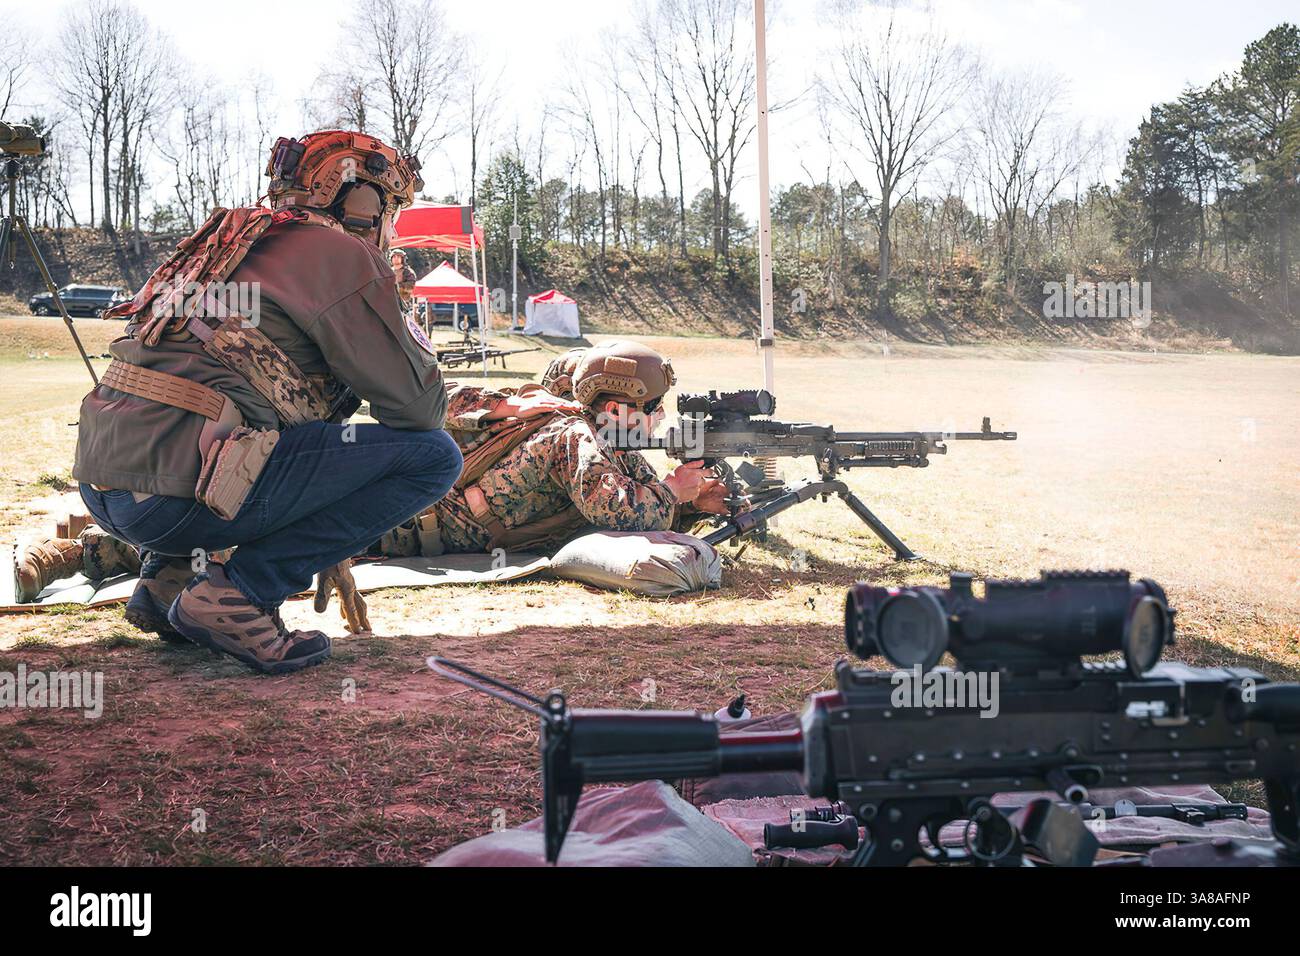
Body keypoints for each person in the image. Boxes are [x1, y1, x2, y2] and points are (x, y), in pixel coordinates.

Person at [71, 129, 463, 674]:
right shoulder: (340, 252)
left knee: (236, 417)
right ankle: (242, 595)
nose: (388, 223)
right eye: (388, 207)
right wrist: (404, 318)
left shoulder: (231, 235)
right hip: (179, 501)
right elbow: (418, 411)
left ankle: (168, 583)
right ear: (363, 199)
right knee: (434, 457)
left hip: (105, 490)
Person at [374, 341, 728, 557]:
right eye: (652, 406)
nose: (661, 415)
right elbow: (620, 512)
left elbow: (645, 505)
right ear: (617, 410)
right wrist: (672, 490)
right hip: (402, 528)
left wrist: (692, 502)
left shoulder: (617, 445)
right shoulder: (577, 435)